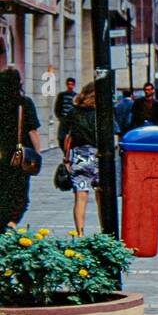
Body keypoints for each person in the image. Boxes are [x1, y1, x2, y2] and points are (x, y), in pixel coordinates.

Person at [0, 67, 40, 228]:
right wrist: (37, 153)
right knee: (19, 191)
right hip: (18, 155)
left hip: (1, 154)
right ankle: (11, 222)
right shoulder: (24, 103)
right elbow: (32, 131)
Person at [60, 82, 101, 235]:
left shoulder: (73, 112)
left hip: (79, 156)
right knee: (101, 196)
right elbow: (114, 133)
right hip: (100, 156)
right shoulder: (101, 112)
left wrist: (66, 158)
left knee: (80, 197)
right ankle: (105, 231)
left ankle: (80, 234)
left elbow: (62, 135)